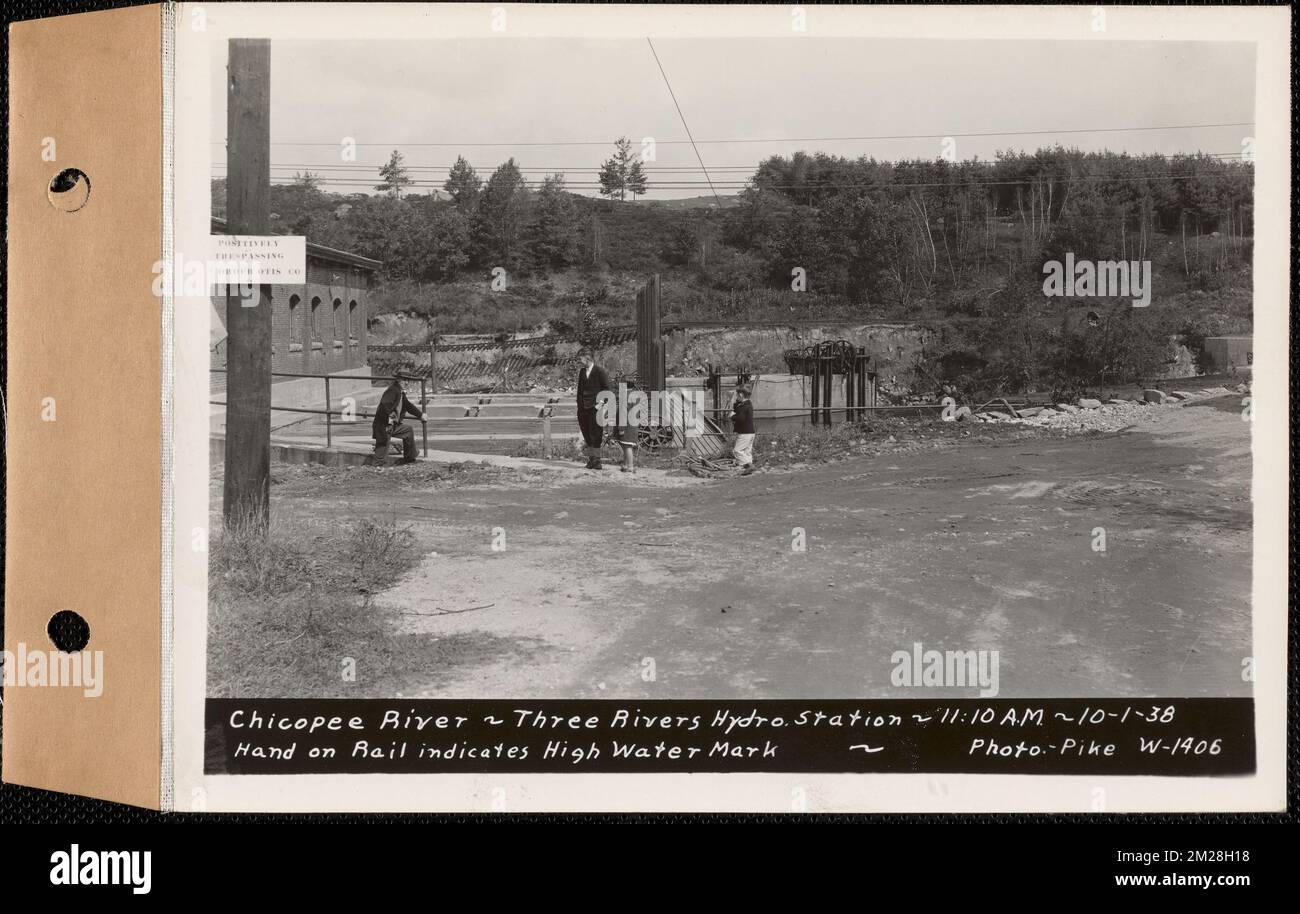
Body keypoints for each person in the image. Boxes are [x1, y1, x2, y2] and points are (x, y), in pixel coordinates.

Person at [372, 373, 425, 464]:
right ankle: (376, 469)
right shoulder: (392, 391)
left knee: (407, 430)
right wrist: (387, 419)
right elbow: (383, 406)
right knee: (381, 456)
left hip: (393, 425)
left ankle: (410, 458)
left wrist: (420, 415)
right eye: (405, 380)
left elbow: (408, 406)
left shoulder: (400, 392)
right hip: (383, 426)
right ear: (398, 380)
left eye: (408, 380)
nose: (407, 383)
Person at [576, 348, 614, 470]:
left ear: (587, 358)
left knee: (596, 433)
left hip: (596, 407)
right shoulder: (582, 372)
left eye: (580, 358)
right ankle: (592, 459)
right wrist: (579, 405)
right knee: (586, 432)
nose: (579, 361)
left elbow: (607, 389)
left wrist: (601, 403)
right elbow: (579, 390)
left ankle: (597, 461)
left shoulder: (599, 371)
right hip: (583, 408)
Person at [730, 383, 756, 475]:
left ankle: (749, 465)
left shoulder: (744, 406)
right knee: (747, 451)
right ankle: (749, 468)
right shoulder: (748, 404)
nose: (736, 397)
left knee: (737, 450)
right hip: (751, 432)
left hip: (745, 432)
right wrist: (736, 402)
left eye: (737, 395)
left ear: (740, 395)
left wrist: (732, 416)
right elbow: (739, 410)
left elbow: (740, 418)